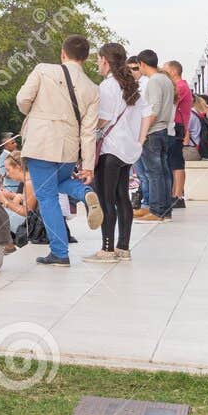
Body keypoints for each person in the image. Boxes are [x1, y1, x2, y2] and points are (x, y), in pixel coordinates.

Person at [17, 36, 102, 266]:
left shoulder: (43, 70)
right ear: (85, 57)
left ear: (63, 53)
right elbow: (89, 131)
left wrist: (34, 111)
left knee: (46, 197)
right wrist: (87, 166)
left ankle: (59, 253)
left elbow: (22, 100)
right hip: (69, 149)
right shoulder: (92, 89)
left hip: (41, 144)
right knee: (58, 184)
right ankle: (84, 192)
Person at [85, 43, 151, 262]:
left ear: (105, 59)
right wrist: (139, 141)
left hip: (110, 149)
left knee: (106, 199)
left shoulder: (107, 86)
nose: (97, 63)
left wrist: (89, 129)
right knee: (123, 196)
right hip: (127, 150)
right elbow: (147, 114)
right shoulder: (131, 84)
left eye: (98, 59)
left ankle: (107, 249)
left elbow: (103, 119)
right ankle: (123, 246)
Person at [132, 50, 177, 224]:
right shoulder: (165, 80)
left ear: (142, 64)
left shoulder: (154, 81)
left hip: (153, 132)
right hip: (163, 129)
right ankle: (164, 209)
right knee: (163, 172)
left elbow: (154, 110)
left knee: (154, 173)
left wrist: (142, 132)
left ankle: (157, 210)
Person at [165, 60, 193, 208]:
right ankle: (175, 194)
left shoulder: (180, 87)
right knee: (172, 161)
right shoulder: (180, 86)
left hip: (177, 126)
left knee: (176, 161)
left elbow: (169, 103)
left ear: (174, 71)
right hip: (177, 126)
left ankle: (177, 195)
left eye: (165, 69)